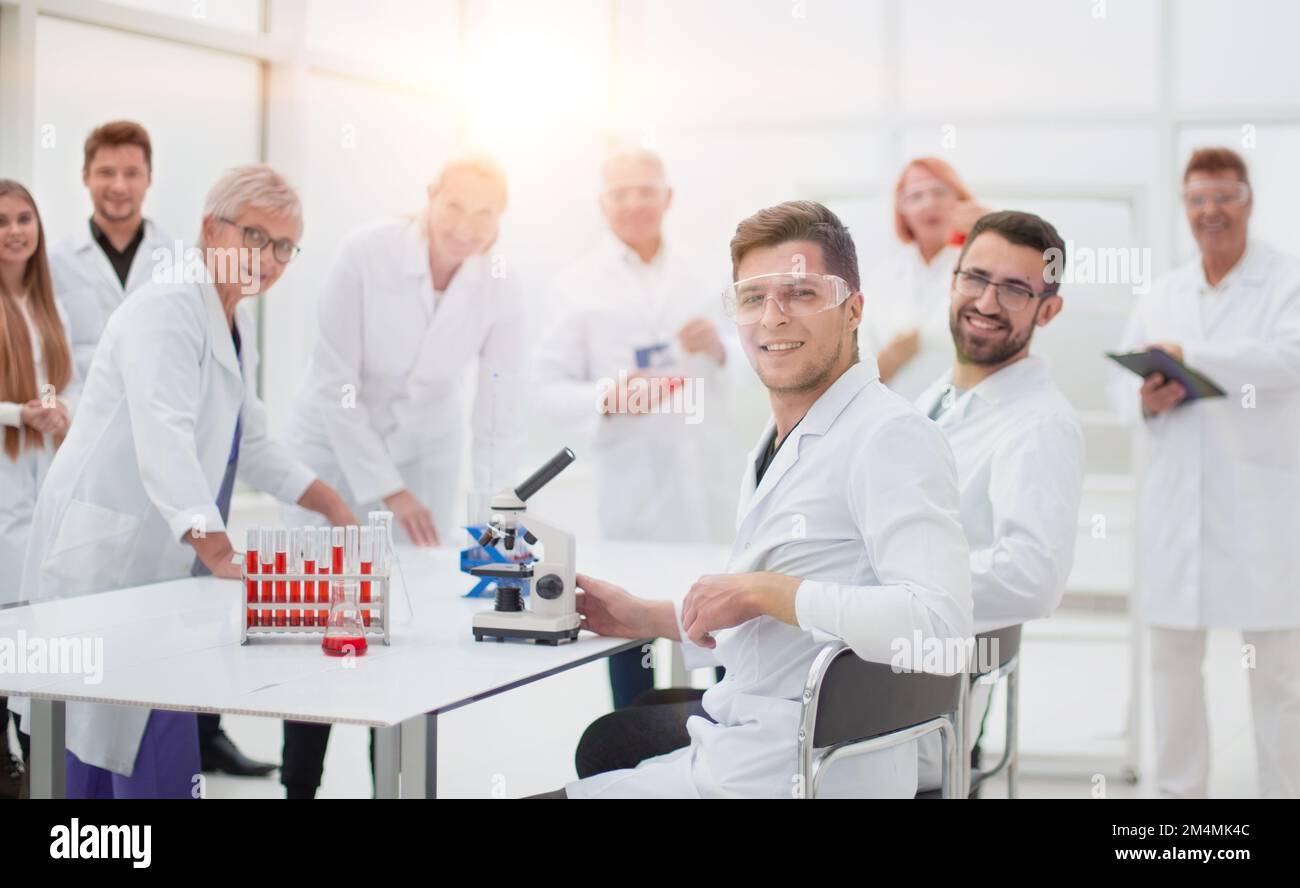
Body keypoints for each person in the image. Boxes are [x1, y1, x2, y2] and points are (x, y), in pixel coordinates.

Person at [533, 201, 972, 798]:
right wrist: (652, 617)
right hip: (745, 757)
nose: (773, 318)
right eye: (752, 298)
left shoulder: (889, 436)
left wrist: (771, 590)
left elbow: (940, 631)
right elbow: (782, 639)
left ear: (853, 310)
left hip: (804, 776)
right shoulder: (780, 440)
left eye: (800, 293)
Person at [10, 165, 356, 799]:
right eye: (255, 236)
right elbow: (164, 436)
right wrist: (219, 550)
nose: (268, 259)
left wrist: (333, 503)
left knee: (136, 738)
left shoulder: (229, 315)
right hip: (108, 560)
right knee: (111, 746)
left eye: (284, 246)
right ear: (209, 228)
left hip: (158, 567)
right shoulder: (168, 305)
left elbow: (246, 441)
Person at [280, 150, 525, 799]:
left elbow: (499, 406)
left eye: (485, 213)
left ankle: (394, 785)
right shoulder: (366, 252)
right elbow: (336, 383)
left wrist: (498, 511)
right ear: (429, 197)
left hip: (428, 447)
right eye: (455, 206)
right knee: (320, 621)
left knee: (406, 622)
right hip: (335, 444)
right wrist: (386, 487)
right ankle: (297, 788)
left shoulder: (500, 280)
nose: (467, 225)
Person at [1111, 147, 1300, 799]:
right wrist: (1145, 398)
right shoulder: (1162, 293)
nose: (1209, 211)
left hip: (1259, 507)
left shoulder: (1285, 281)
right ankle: (1177, 806)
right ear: (1184, 208)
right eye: (1196, 199)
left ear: (1247, 199)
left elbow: (1290, 360)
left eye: (1223, 196)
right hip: (1178, 510)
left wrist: (1195, 355)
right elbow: (1119, 389)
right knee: (1172, 669)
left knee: (1277, 676)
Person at [534, 145, 733, 709]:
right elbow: (545, 388)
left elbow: (758, 351)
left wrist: (722, 348)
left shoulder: (709, 272)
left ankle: (728, 743)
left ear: (668, 197)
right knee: (629, 621)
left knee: (724, 615)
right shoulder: (576, 285)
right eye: (621, 192)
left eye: (646, 189)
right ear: (602, 204)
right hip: (632, 483)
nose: (635, 202)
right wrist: (607, 397)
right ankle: (637, 754)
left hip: (704, 470)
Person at [912, 210, 1085, 792]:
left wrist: (888, 579)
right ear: (952, 278)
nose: (986, 301)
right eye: (975, 278)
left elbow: (1032, 578)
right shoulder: (939, 395)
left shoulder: (1038, 426)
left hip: (908, 707)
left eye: (1015, 289)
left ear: (1048, 309)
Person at [0, 180, 78, 799]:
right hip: (4, 494)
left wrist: (57, 412)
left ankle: (35, 774)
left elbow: (64, 387)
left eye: (25, 218)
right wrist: (15, 415)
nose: (15, 230)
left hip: (40, 492)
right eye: (2, 221)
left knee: (32, 639)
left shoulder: (49, 307)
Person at [48, 121, 175, 381]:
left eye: (131, 173)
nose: (119, 186)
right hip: (83, 413)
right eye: (106, 172)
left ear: (149, 177)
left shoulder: (179, 261)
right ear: (85, 176)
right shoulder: (56, 262)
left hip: (159, 410)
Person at [860, 158, 986, 401]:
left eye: (940, 192)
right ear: (902, 210)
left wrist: (992, 226)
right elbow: (856, 365)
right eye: (916, 196)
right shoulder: (883, 277)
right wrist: (891, 358)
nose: (929, 203)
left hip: (963, 417)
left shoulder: (982, 268)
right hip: (891, 416)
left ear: (960, 202)